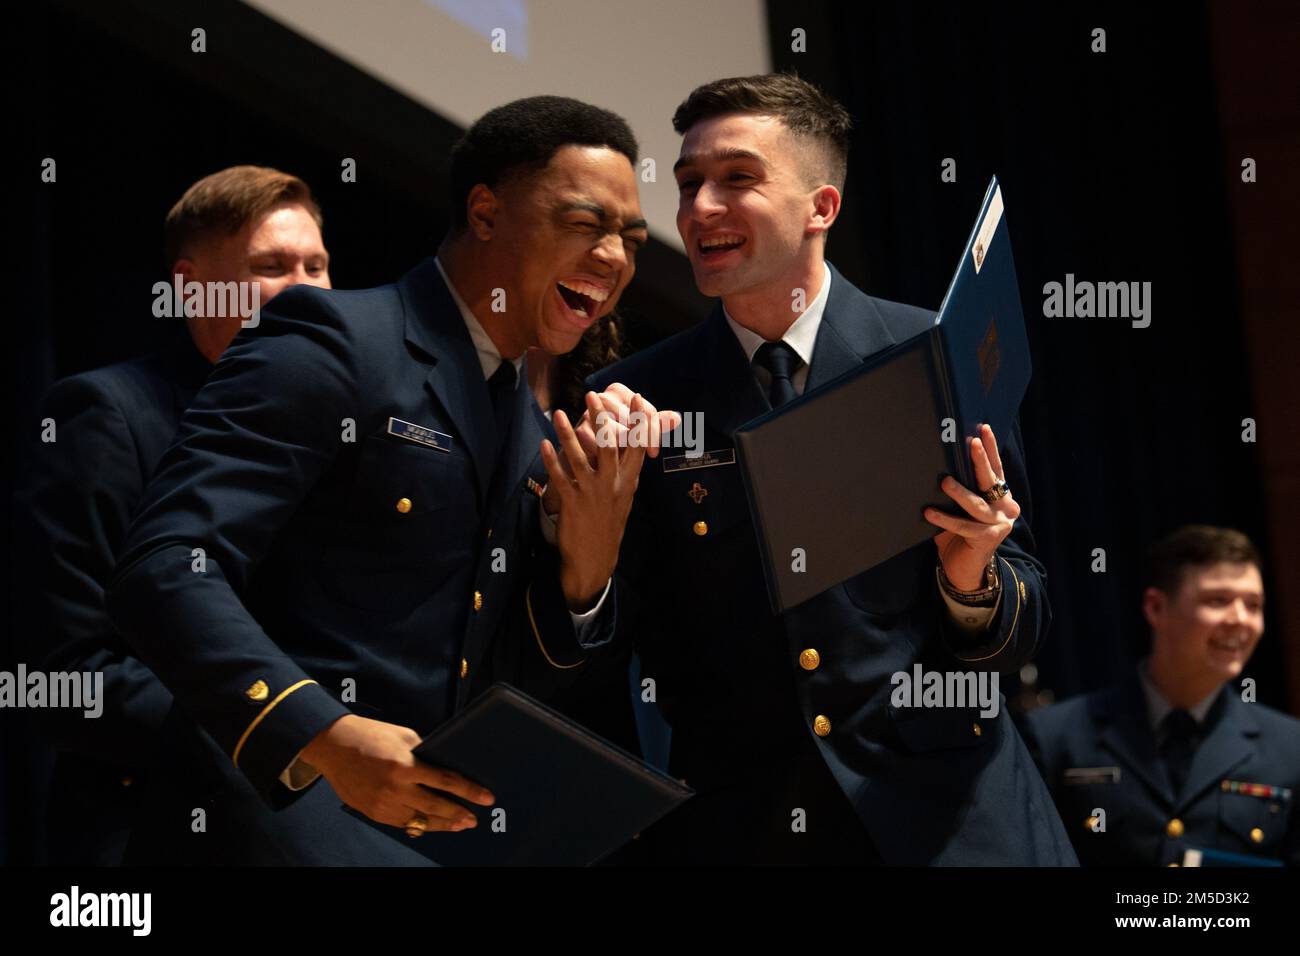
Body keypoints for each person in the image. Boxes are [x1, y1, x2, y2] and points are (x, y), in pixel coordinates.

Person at [106, 97, 651, 864]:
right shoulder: (332, 337)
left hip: (438, 838)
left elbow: (504, 673)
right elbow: (165, 569)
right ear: (487, 212)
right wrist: (322, 735)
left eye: (629, 239)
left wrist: (585, 569)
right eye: (585, 224)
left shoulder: (534, 428)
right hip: (275, 813)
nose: (615, 258)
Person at [585, 73, 1076, 864]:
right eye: (688, 183)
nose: (699, 206)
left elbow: (1024, 615)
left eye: (736, 179)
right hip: (749, 828)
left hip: (954, 819)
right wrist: (589, 516)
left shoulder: (933, 354)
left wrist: (972, 581)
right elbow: (608, 645)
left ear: (821, 207)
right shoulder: (629, 400)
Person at [14, 165, 331, 864]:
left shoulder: (347, 433)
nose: (307, 290)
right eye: (271, 267)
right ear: (190, 286)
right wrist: (296, 733)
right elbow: (62, 677)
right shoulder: (105, 417)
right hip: (154, 841)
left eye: (318, 265)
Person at [1022, 525, 1299, 866]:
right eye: (1218, 600)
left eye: (1254, 605)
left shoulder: (1290, 748)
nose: (1241, 620)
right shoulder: (1053, 737)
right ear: (1156, 608)